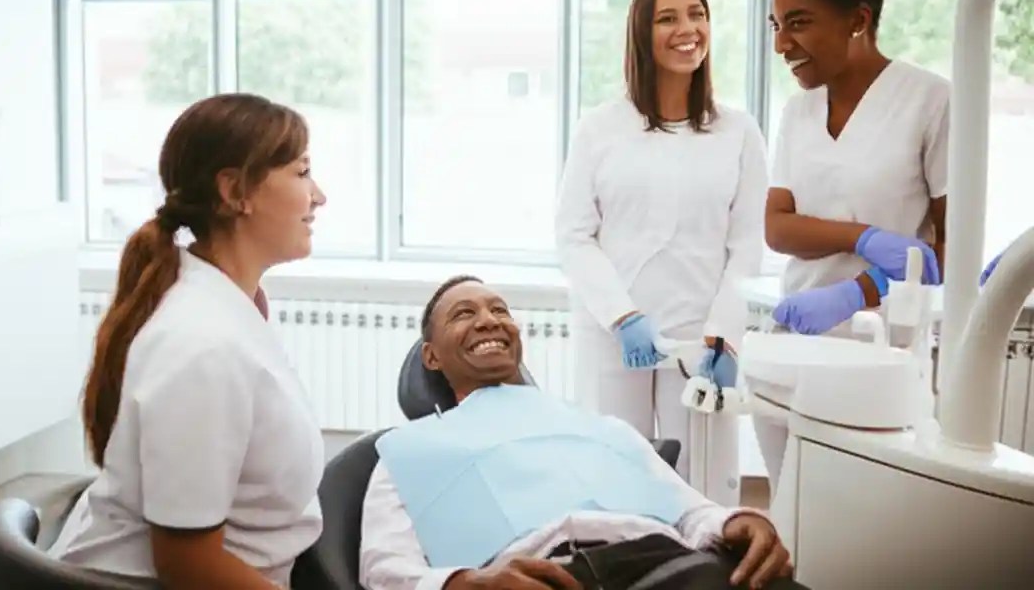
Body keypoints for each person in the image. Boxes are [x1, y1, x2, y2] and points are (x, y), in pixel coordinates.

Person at [359, 276, 803, 590]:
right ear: (431, 357)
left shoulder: (600, 429)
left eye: (499, 310)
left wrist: (736, 520)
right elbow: (383, 567)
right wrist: (465, 583)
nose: (489, 320)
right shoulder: (410, 453)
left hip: (670, 562)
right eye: (463, 313)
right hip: (546, 576)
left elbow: (691, 512)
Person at [47, 94, 328, 589]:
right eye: (302, 173)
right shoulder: (203, 344)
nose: (319, 196)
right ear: (236, 190)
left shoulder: (228, 307)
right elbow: (189, 565)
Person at [556, 0, 768, 499]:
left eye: (697, 14)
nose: (687, 28)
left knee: (701, 488)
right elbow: (574, 235)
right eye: (668, 17)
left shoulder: (738, 132)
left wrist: (726, 336)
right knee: (612, 478)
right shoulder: (600, 128)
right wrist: (623, 316)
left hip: (701, 337)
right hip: (614, 335)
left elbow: (747, 245)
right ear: (641, 34)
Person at [759, 0, 950, 490]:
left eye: (797, 23)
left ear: (858, 20)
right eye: (774, 25)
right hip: (797, 342)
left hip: (884, 348)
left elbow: (950, 251)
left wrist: (859, 292)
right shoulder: (799, 109)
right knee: (789, 517)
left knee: (856, 524)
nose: (780, 43)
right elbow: (777, 227)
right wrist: (862, 239)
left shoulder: (929, 101)